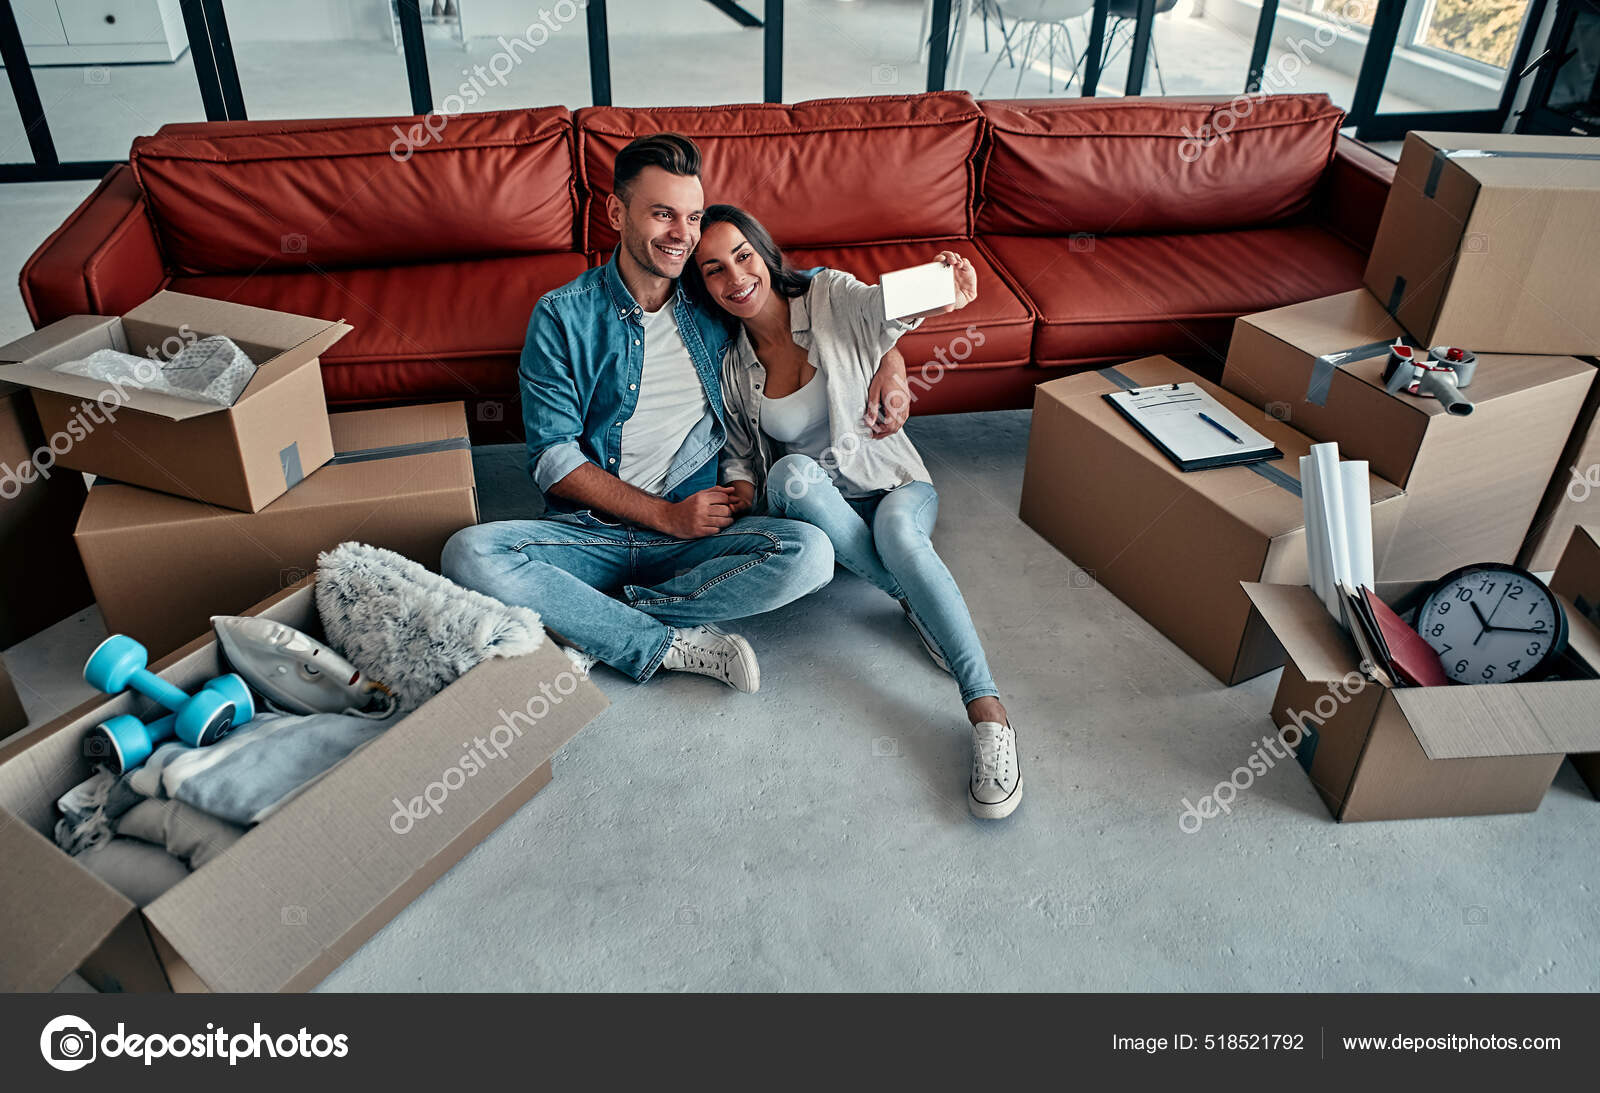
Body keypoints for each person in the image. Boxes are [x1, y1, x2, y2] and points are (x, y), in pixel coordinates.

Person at [443, 134, 890, 692]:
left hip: (698, 536)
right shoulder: (562, 316)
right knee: (469, 553)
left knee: (811, 555)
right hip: (591, 535)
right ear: (616, 212)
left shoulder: (714, 298)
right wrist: (664, 516)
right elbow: (552, 459)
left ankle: (591, 624)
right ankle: (660, 640)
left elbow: (821, 298)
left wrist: (891, 359)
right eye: (662, 214)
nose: (682, 235)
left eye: (694, 217)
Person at [683, 205, 1022, 820]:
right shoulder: (731, 366)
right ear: (702, 285)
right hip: (819, 506)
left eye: (741, 255)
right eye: (712, 270)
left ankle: (988, 712)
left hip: (891, 482)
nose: (734, 278)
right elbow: (739, 453)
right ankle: (921, 599)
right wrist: (735, 490)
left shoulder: (830, 295)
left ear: (764, 252)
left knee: (897, 529)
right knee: (789, 473)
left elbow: (884, 307)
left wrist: (941, 282)